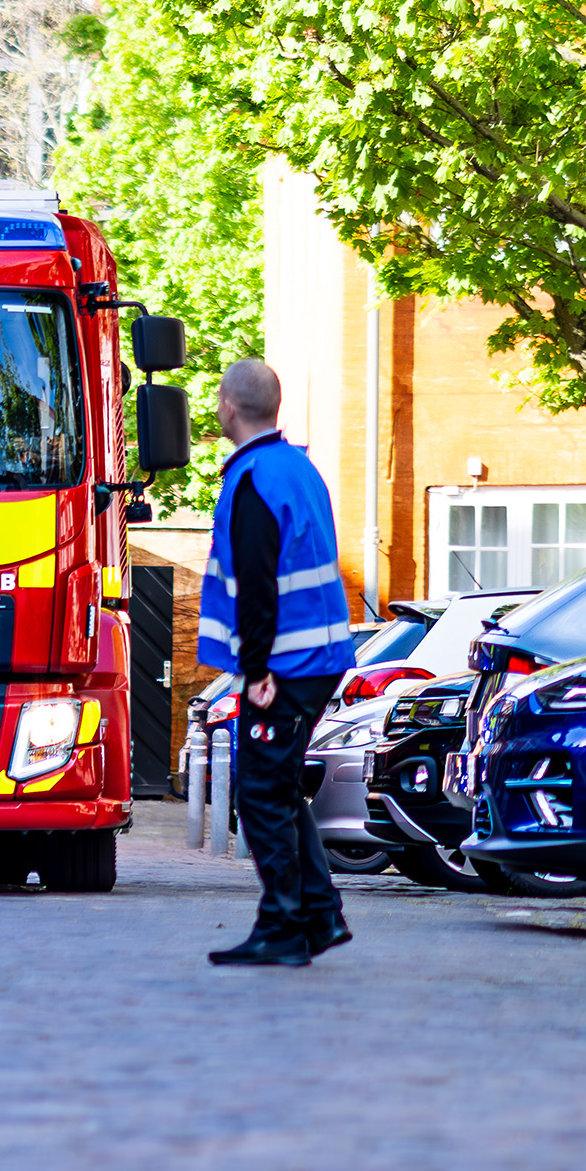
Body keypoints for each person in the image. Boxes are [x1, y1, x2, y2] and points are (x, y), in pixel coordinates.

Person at [199, 360, 358, 967]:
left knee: (261, 792)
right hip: (316, 656)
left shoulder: (253, 477)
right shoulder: (299, 468)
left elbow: (258, 583)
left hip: (286, 664)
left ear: (229, 408)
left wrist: (257, 668)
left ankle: (285, 927)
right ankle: (318, 916)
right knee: (281, 789)